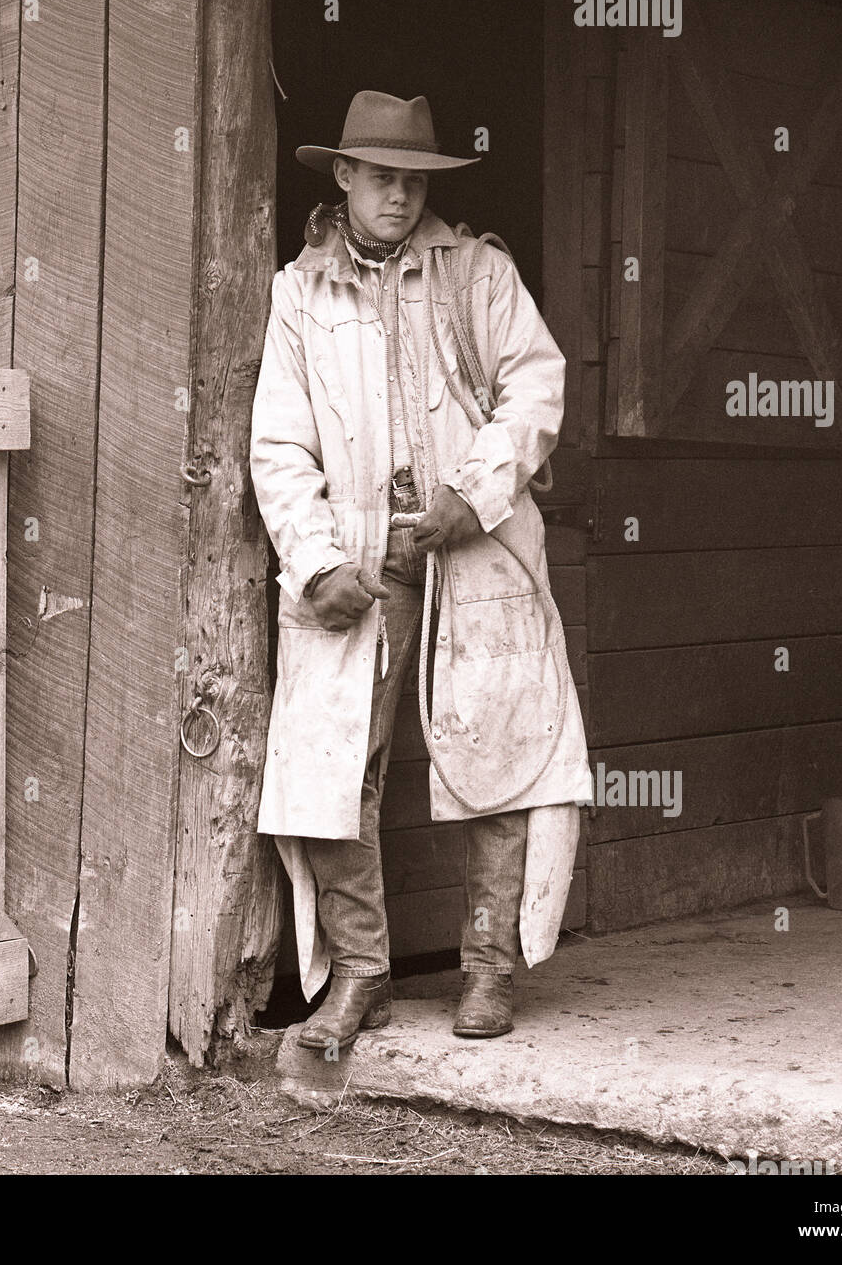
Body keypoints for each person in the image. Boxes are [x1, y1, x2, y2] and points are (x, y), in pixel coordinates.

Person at [250, 90, 592, 1054]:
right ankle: (362, 974)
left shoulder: (476, 272)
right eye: (381, 177)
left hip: (472, 541)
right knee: (332, 759)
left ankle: (488, 968)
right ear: (345, 179)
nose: (399, 196)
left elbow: (537, 383)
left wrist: (471, 493)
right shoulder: (299, 295)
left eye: (415, 180)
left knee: (498, 747)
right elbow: (278, 443)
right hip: (361, 558)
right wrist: (316, 561)